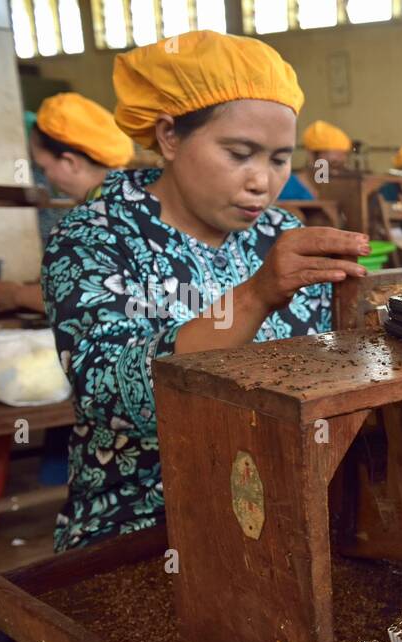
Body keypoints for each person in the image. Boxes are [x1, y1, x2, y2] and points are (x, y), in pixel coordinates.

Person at [42, 30, 368, 553]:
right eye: (240, 153)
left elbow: (324, 366)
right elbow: (113, 398)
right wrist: (254, 297)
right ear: (169, 136)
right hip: (145, 522)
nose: (262, 181)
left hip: (286, 507)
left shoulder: (276, 234)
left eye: (280, 159)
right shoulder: (95, 236)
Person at [0, 94, 133, 315]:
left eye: (44, 168)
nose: (47, 178)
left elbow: (89, 297)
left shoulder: (101, 214)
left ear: (70, 162)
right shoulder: (129, 192)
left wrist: (17, 294)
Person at [277, 119, 352, 200]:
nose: (336, 173)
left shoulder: (340, 191)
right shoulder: (285, 190)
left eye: (341, 167)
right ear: (311, 156)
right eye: (332, 165)